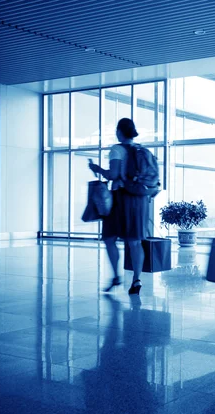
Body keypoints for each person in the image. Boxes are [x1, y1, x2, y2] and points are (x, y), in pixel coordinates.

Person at [89, 118, 147, 295]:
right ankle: (136, 280)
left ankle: (116, 275)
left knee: (109, 238)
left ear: (120, 131)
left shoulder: (117, 149)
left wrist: (97, 169)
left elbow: (113, 174)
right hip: (139, 199)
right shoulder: (141, 150)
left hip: (121, 199)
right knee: (135, 242)